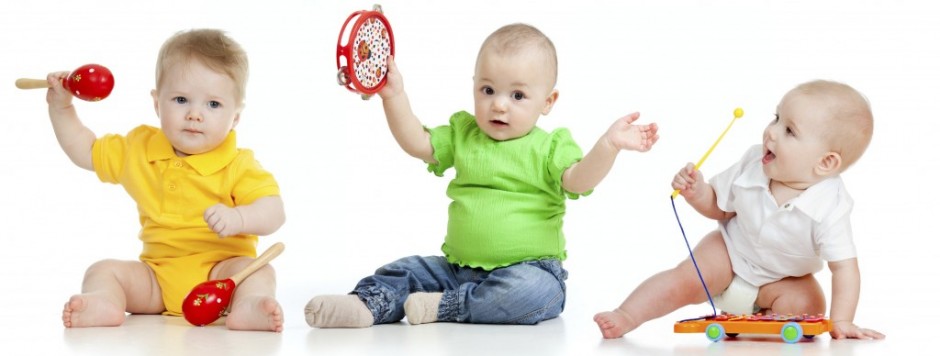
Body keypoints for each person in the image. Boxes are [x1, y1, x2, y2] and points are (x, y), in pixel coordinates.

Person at [305, 23, 659, 328]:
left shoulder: (550, 147)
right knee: (405, 270)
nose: (499, 104)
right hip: (456, 269)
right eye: (488, 90)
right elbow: (418, 142)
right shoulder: (464, 132)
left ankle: (444, 307)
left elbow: (579, 180)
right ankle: (367, 304)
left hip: (529, 270)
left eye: (518, 95)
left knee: (536, 294)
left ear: (547, 102)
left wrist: (609, 145)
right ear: (474, 85)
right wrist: (394, 96)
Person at [594, 80, 885, 340]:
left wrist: (843, 320)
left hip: (782, 281)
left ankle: (756, 329)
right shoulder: (753, 163)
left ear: (825, 163)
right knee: (683, 280)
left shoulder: (830, 207)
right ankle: (628, 315)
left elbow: (844, 268)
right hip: (728, 254)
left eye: (789, 130)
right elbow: (719, 208)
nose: (771, 132)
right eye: (776, 118)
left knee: (809, 306)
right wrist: (697, 192)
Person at [49, 29, 286, 332]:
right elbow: (86, 151)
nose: (194, 114)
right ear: (157, 103)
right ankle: (105, 302)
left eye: (213, 104)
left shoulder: (239, 164)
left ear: (235, 117)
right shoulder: (139, 148)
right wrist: (62, 108)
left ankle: (247, 306)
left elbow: (274, 211)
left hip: (222, 277)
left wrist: (239, 218)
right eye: (181, 99)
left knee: (258, 272)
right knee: (102, 270)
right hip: (156, 278)